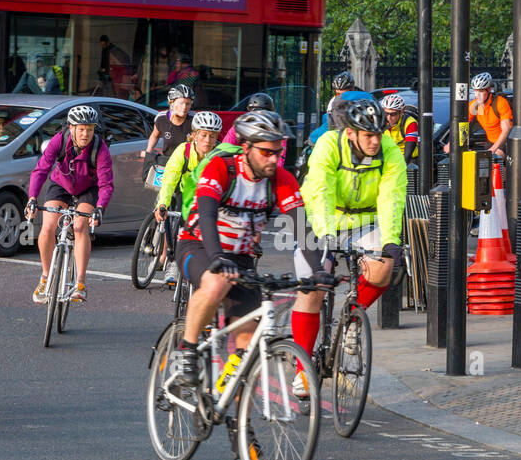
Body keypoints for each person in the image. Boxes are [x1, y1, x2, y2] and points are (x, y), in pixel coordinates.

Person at [168, 111, 325, 390]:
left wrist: (319, 271)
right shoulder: (221, 167)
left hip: (240, 258)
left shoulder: (281, 179)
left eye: (278, 152)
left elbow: (303, 227)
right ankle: (187, 350)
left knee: (248, 351)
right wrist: (216, 257)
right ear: (246, 148)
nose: (275, 159)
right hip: (199, 244)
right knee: (216, 282)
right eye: (267, 152)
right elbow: (205, 214)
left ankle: (240, 427)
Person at [291, 99, 407, 396]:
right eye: (368, 135)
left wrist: (392, 241)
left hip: (364, 218)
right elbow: (319, 191)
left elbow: (392, 196)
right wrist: (327, 237)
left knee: (384, 268)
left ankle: (353, 317)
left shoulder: (390, 151)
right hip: (317, 218)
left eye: (379, 134)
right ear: (351, 133)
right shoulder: (329, 144)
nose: (375, 141)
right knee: (312, 286)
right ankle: (303, 370)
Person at [24, 105, 114, 305]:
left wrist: (100, 207)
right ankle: (46, 277)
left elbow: (106, 183)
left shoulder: (100, 149)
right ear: (71, 128)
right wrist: (32, 198)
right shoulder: (59, 140)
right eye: (81, 129)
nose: (85, 134)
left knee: (80, 226)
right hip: (61, 184)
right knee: (48, 227)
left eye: (89, 129)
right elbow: (40, 171)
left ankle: (80, 283)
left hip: (87, 189)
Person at [155, 111, 224, 284]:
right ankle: (172, 260)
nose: (208, 141)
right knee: (176, 220)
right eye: (203, 135)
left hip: (210, 197)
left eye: (212, 136)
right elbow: (169, 178)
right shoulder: (182, 151)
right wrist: (162, 203)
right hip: (184, 194)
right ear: (194, 136)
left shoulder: (220, 154)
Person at [308, 71, 371, 146]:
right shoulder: (332, 102)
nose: (340, 98)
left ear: (352, 89)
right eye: (338, 94)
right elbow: (328, 124)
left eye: (344, 94)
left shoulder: (364, 99)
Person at [142, 82, 193, 165]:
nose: (184, 107)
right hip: (167, 162)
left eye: (188, 104)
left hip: (188, 164)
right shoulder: (161, 118)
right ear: (171, 103)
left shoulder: (194, 120)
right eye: (181, 103)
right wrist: (148, 152)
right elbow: (155, 135)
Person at [464, 73, 513, 156]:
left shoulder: (499, 103)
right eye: (475, 91)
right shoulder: (474, 106)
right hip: (490, 142)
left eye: (481, 91)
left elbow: (506, 129)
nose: (477, 95)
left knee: (495, 159)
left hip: (506, 141)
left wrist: (493, 150)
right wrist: (452, 144)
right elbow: (463, 125)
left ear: (489, 89)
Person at [380, 92, 419, 164]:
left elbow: (408, 154)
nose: (389, 118)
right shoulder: (381, 122)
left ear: (402, 112)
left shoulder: (410, 123)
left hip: (409, 159)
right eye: (386, 113)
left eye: (393, 114)